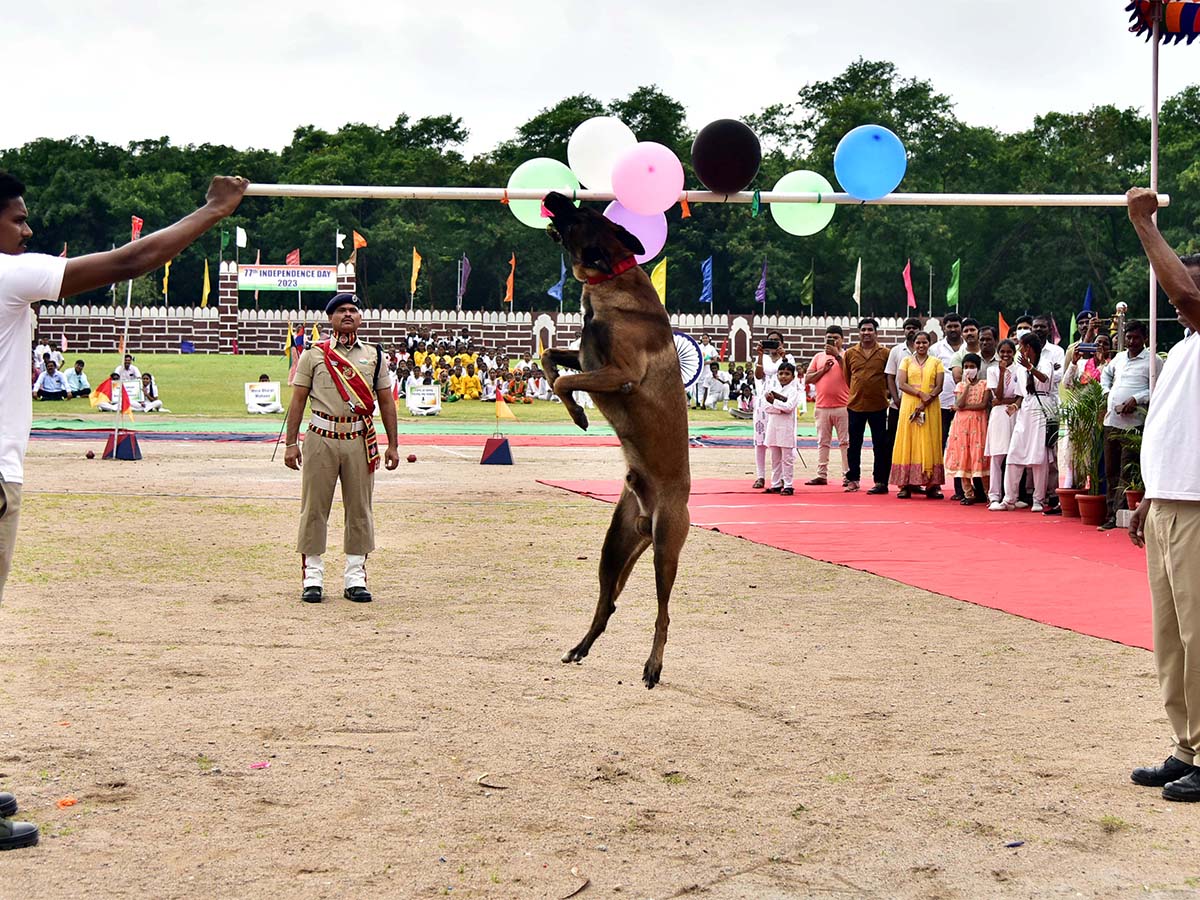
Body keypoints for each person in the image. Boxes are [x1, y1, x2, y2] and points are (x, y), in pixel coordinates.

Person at [0, 169, 249, 850]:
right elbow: (131, 261)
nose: (28, 230)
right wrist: (213, 211)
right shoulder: (8, 274)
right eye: (18, 219)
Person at [1126, 187, 1200, 800]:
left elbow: (1186, 295)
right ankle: (1186, 744)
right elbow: (1173, 430)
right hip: (1170, 504)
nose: (1178, 296)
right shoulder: (1182, 350)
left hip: (1198, 510)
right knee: (1172, 639)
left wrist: (1144, 225)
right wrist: (1151, 496)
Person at [285, 293, 399, 605]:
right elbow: (298, 400)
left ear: (360, 317)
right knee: (314, 508)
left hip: (359, 439)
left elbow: (386, 401)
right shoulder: (313, 354)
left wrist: (393, 445)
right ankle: (313, 576)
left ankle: (355, 577)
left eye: (353, 310)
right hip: (320, 436)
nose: (348, 314)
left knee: (360, 509)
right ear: (330, 318)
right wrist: (291, 443)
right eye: (341, 311)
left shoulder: (375, 355)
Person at [1097, 321, 1161, 531]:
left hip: (1133, 425)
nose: (1132, 342)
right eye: (1129, 337)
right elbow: (1106, 375)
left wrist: (1136, 399)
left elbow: (1159, 388)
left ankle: (1117, 515)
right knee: (1111, 470)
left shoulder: (1153, 360)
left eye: (1136, 338)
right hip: (1111, 422)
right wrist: (1107, 393)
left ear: (1145, 338)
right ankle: (1110, 513)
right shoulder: (1119, 357)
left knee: (1126, 470)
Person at [993, 333, 1056, 513]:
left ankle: (1038, 499)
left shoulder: (1045, 362)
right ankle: (1009, 498)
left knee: (1039, 456)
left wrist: (1030, 368)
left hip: (1041, 408)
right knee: (1014, 453)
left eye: (1021, 346)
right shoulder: (1020, 369)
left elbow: (1044, 379)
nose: (1019, 349)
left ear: (1028, 347)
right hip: (1025, 410)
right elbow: (1021, 394)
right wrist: (1015, 406)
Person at [889, 331, 945, 499]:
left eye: (924, 342)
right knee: (908, 440)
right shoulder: (906, 361)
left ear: (929, 344)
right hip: (910, 405)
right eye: (918, 343)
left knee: (930, 440)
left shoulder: (936, 362)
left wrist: (926, 400)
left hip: (930, 405)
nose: (921, 345)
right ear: (913, 344)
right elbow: (902, 383)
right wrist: (920, 394)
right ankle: (905, 484)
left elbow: (939, 386)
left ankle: (932, 485)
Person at [842, 318, 892, 494]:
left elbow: (889, 377)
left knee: (880, 445)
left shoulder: (885, 353)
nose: (866, 333)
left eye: (870, 330)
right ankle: (853, 478)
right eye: (863, 330)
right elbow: (848, 377)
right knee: (854, 445)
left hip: (878, 405)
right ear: (859, 332)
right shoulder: (850, 353)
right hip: (856, 405)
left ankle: (880, 481)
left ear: (876, 333)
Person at [805, 324, 850, 486]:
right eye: (829, 338)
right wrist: (823, 370)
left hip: (843, 406)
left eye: (836, 338)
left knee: (845, 443)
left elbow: (851, 375)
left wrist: (837, 356)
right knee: (823, 442)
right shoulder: (818, 357)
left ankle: (847, 475)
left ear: (842, 340)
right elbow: (808, 379)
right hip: (822, 406)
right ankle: (821, 474)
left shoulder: (847, 356)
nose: (832, 340)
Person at [944, 353, 991, 504]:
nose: (969, 369)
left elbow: (983, 405)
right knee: (963, 456)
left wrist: (961, 407)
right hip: (962, 426)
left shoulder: (985, 384)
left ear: (978, 368)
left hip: (979, 424)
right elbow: (960, 403)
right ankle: (968, 494)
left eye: (972, 366)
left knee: (980, 456)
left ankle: (989, 494)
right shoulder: (960, 386)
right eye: (966, 367)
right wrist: (968, 386)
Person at [750, 331, 794, 489]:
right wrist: (760, 355)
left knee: (779, 441)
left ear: (782, 343)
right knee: (760, 441)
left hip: (780, 400)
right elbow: (758, 375)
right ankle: (760, 476)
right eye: (770, 341)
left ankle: (781, 478)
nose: (773, 343)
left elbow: (791, 374)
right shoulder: (763, 358)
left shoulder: (788, 357)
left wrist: (783, 357)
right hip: (764, 402)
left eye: (776, 341)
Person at [985, 339, 1021, 507]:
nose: (1006, 355)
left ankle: (1012, 495)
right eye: (1002, 352)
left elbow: (1019, 396)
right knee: (997, 455)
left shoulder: (1020, 369)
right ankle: (994, 496)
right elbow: (998, 396)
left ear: (1014, 352)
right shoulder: (992, 370)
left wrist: (1005, 401)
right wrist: (1001, 373)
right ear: (998, 353)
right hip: (999, 415)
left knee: (1014, 455)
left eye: (1009, 352)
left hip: (1015, 413)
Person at [762, 362, 800, 495]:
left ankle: (788, 485)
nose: (783, 376)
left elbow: (789, 407)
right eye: (781, 373)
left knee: (787, 459)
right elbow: (766, 407)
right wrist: (779, 408)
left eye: (787, 374)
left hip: (786, 428)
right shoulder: (772, 389)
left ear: (793, 376)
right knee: (775, 458)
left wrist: (774, 403)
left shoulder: (794, 391)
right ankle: (776, 483)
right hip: (773, 426)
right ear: (777, 375)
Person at [930, 313, 963, 453]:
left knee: (962, 440)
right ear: (944, 328)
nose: (953, 329)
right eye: (949, 326)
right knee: (939, 439)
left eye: (956, 326)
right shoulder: (935, 349)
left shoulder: (968, 347)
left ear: (961, 327)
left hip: (965, 402)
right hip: (942, 401)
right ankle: (939, 466)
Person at [885, 316, 920, 439]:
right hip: (898, 403)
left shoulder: (928, 351)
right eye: (908, 328)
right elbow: (890, 377)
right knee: (894, 437)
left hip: (920, 404)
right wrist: (896, 399)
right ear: (904, 331)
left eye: (914, 328)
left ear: (920, 330)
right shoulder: (896, 351)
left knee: (917, 437)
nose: (911, 330)